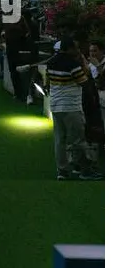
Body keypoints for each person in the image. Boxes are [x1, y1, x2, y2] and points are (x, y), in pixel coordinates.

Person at [47, 35, 102, 180]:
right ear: (69, 49)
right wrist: (84, 65)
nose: (78, 50)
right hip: (71, 106)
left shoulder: (51, 62)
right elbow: (85, 83)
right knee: (78, 140)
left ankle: (62, 171)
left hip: (55, 106)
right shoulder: (72, 65)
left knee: (60, 140)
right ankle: (84, 170)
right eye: (76, 48)